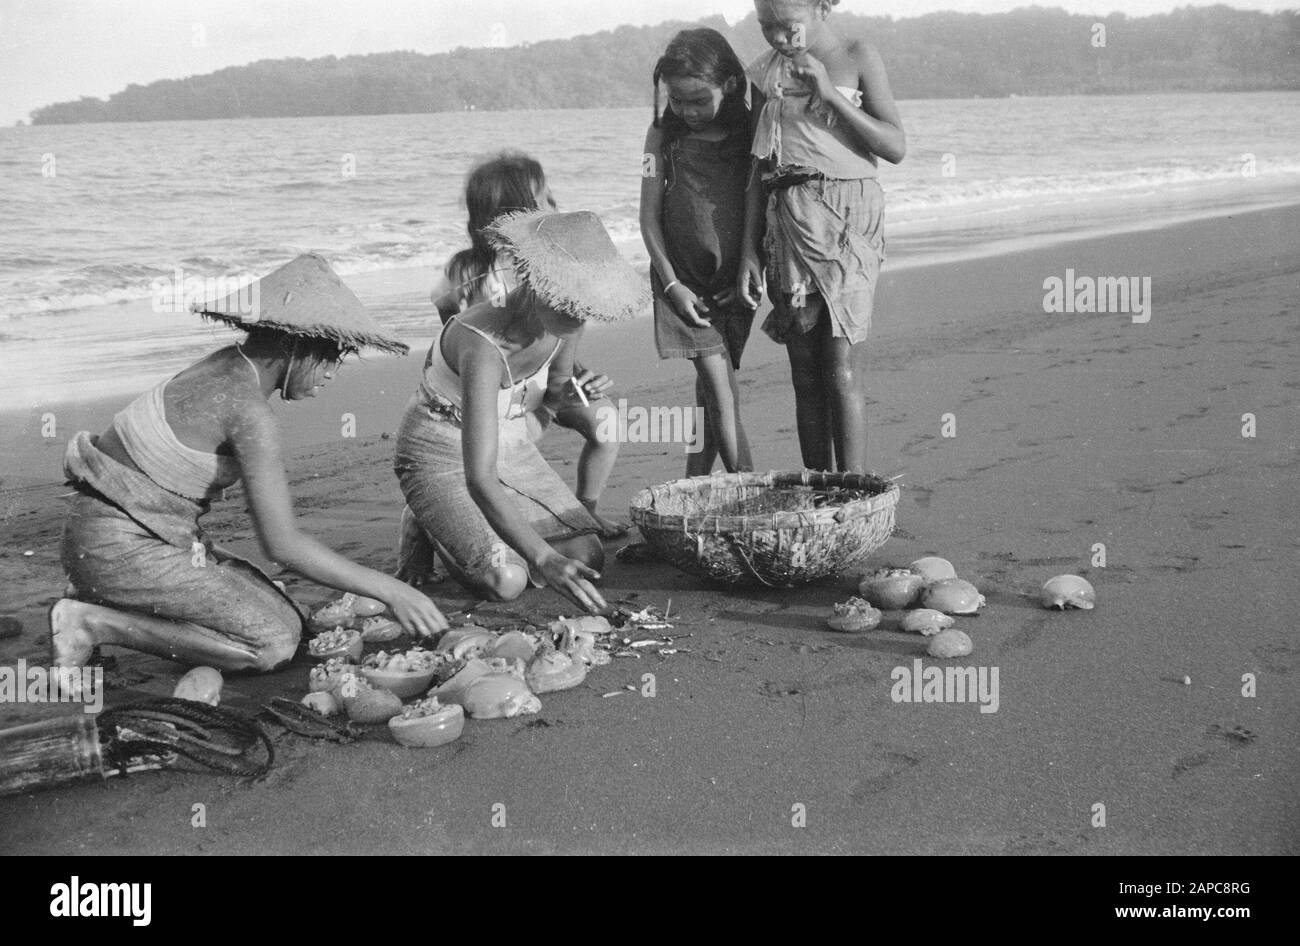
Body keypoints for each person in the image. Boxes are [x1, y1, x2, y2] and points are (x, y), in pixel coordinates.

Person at [50, 254, 449, 673]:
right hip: (118, 548)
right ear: (295, 344)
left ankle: (94, 594)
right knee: (273, 643)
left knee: (292, 617)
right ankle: (93, 623)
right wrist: (394, 591)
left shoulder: (225, 366)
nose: (333, 372)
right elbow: (283, 545)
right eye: (331, 354)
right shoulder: (247, 409)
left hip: (106, 539)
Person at [395, 210, 648, 615]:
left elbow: (556, 393)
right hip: (441, 453)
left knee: (587, 555)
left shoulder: (567, 320)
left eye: (584, 305)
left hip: (508, 440)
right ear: (531, 278)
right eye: (568, 301)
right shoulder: (481, 343)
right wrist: (543, 558)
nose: (577, 315)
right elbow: (479, 477)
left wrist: (582, 390)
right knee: (506, 579)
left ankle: (456, 519)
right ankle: (424, 517)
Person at [737, 0, 906, 472]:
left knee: (840, 365)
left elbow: (895, 146)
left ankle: (854, 489)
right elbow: (757, 167)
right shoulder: (763, 75)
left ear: (820, 7)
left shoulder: (856, 55)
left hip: (848, 217)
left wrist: (830, 94)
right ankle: (817, 487)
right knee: (804, 372)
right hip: (786, 219)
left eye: (785, 25)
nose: (774, 36)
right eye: (764, 25)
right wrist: (748, 250)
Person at [428, 152, 626, 537]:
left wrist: (579, 377)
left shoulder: (556, 265)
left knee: (607, 426)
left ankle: (585, 509)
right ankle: (424, 518)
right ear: (513, 213)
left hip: (544, 386)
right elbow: (451, 335)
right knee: (491, 463)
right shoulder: (467, 273)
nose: (557, 206)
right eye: (546, 199)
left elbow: (556, 344)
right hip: (494, 397)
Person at [640, 28, 759, 476]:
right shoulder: (660, 137)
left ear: (728, 84)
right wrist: (672, 285)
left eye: (698, 100)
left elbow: (754, 203)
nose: (686, 111)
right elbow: (647, 218)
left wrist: (749, 265)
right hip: (680, 285)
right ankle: (752, 496)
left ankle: (693, 489)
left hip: (733, 282)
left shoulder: (749, 131)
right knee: (723, 394)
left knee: (709, 398)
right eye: (677, 100)